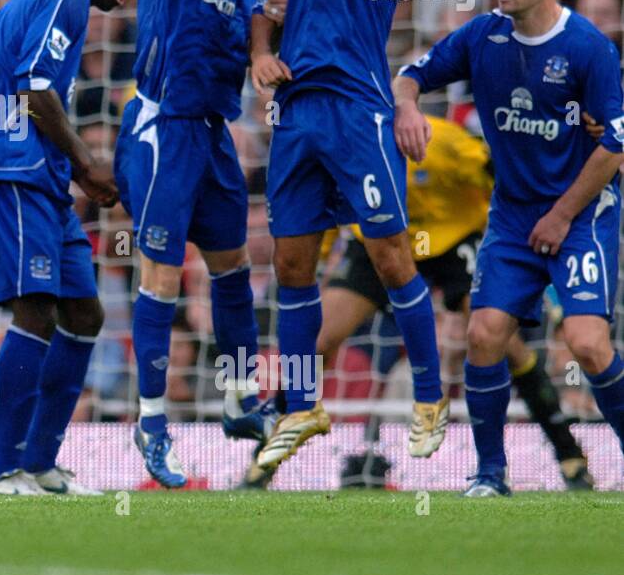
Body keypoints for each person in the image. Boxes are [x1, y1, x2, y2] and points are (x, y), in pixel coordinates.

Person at [243, 0, 447, 473]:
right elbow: (268, 5)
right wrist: (259, 57)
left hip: (358, 112)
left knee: (389, 256)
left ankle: (429, 398)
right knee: (291, 264)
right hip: (298, 114)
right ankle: (302, 405)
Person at [241, 115, 596, 491]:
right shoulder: (345, 147)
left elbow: (501, 178)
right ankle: (263, 461)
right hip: (379, 244)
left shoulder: (442, 142)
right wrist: (325, 261)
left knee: (499, 341)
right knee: (318, 341)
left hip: (448, 240)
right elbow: (329, 204)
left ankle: (569, 455)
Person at [395, 0, 624, 496]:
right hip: (514, 218)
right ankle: (491, 474)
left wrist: (563, 215)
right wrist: (406, 107)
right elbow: (411, 74)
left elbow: (614, 145)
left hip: (583, 216)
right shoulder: (484, 35)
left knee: (588, 343)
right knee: (484, 334)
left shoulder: (588, 48)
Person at [0, 0, 135, 496]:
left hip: (39, 176)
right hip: (8, 169)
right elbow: (32, 86)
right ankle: (2, 471)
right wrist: (86, 164)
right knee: (36, 312)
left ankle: (42, 463)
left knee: (85, 316)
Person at [114, 0, 281, 488]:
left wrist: (268, 30)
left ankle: (240, 399)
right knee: (160, 275)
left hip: (213, 130)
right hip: (164, 128)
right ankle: (152, 421)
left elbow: (241, 36)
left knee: (233, 269)